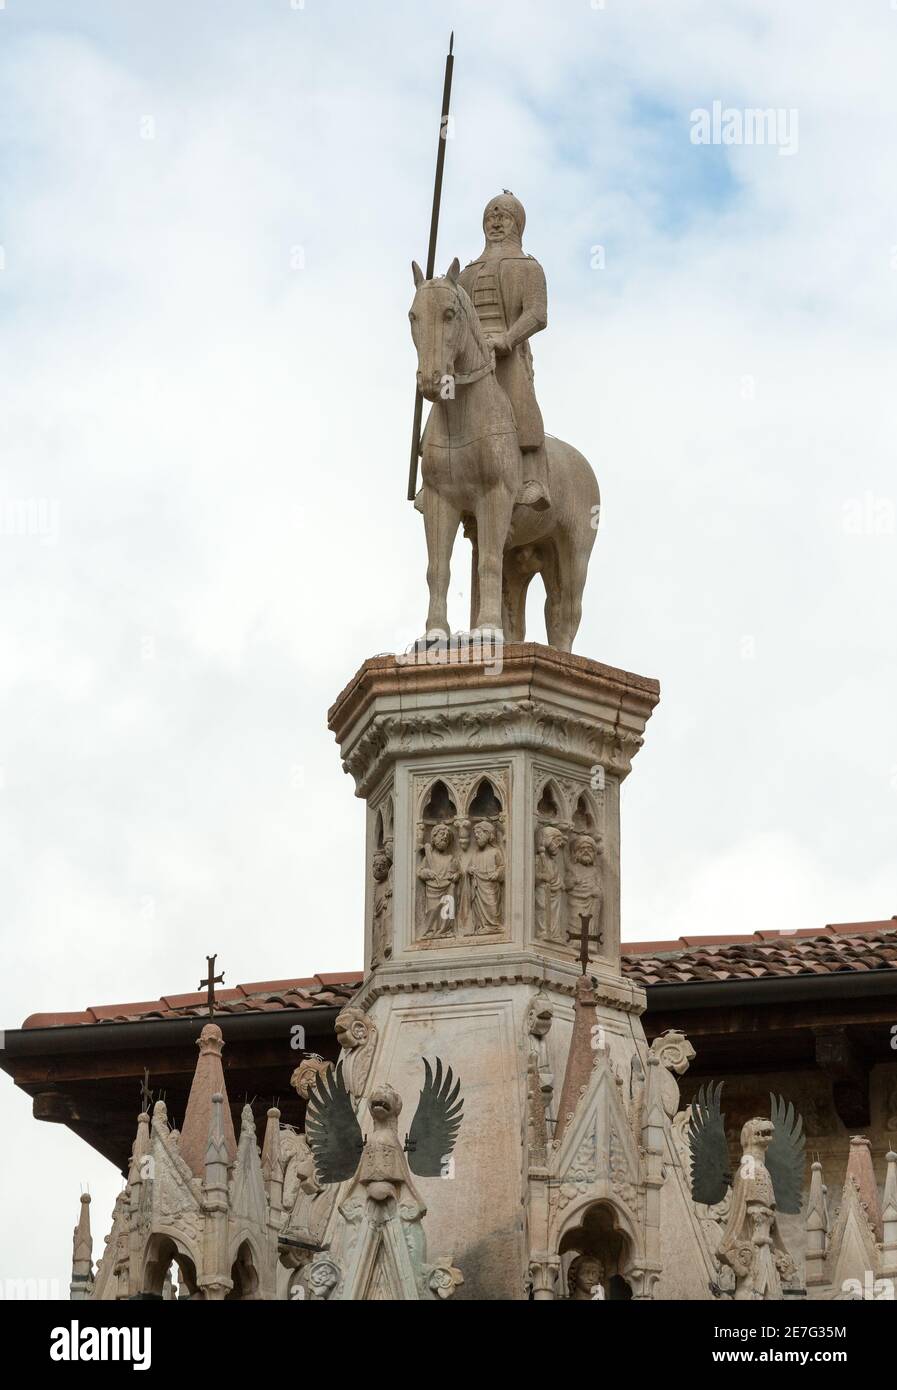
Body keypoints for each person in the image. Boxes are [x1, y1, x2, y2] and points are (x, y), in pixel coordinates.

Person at [459, 191, 552, 510]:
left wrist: (508, 339)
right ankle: (434, 477)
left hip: (508, 353)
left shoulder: (528, 267)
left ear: (518, 224)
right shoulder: (467, 272)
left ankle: (534, 478)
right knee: (447, 399)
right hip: (471, 357)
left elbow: (537, 314)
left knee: (521, 404)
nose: (496, 222)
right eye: (490, 217)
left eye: (504, 217)